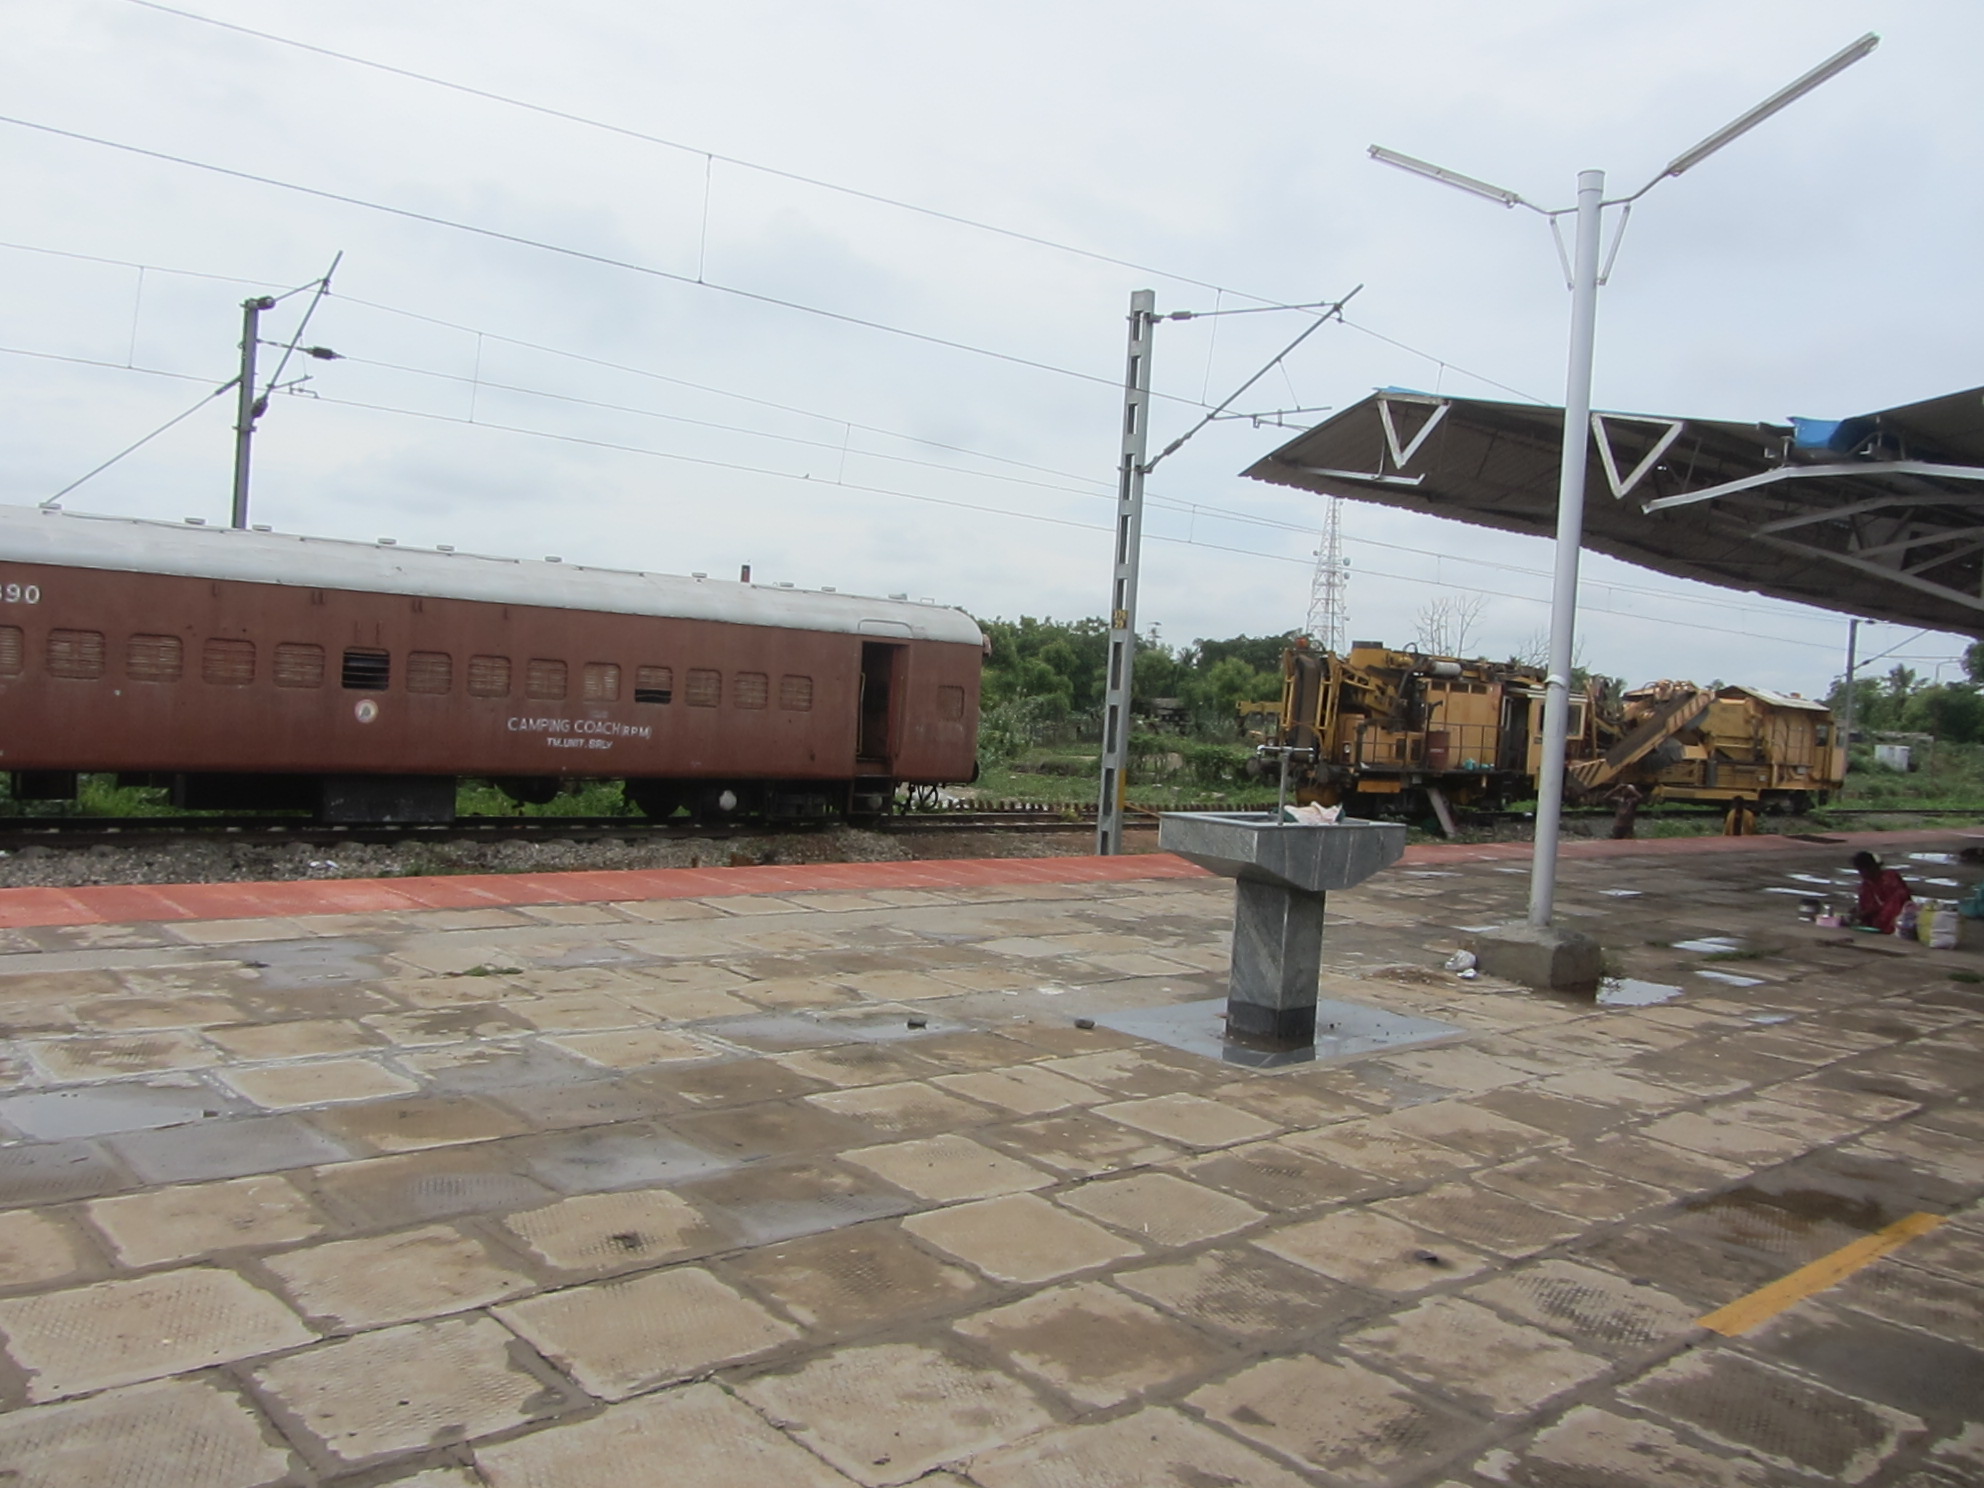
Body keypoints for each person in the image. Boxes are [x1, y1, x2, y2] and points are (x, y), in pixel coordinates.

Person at [1852, 851, 1912, 933]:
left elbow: (1894, 905)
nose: (1861, 874)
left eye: (1863, 870)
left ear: (1872, 867)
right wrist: (1860, 913)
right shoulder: (1866, 886)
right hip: (1877, 924)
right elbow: (1867, 906)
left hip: (1896, 922)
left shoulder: (1890, 878)